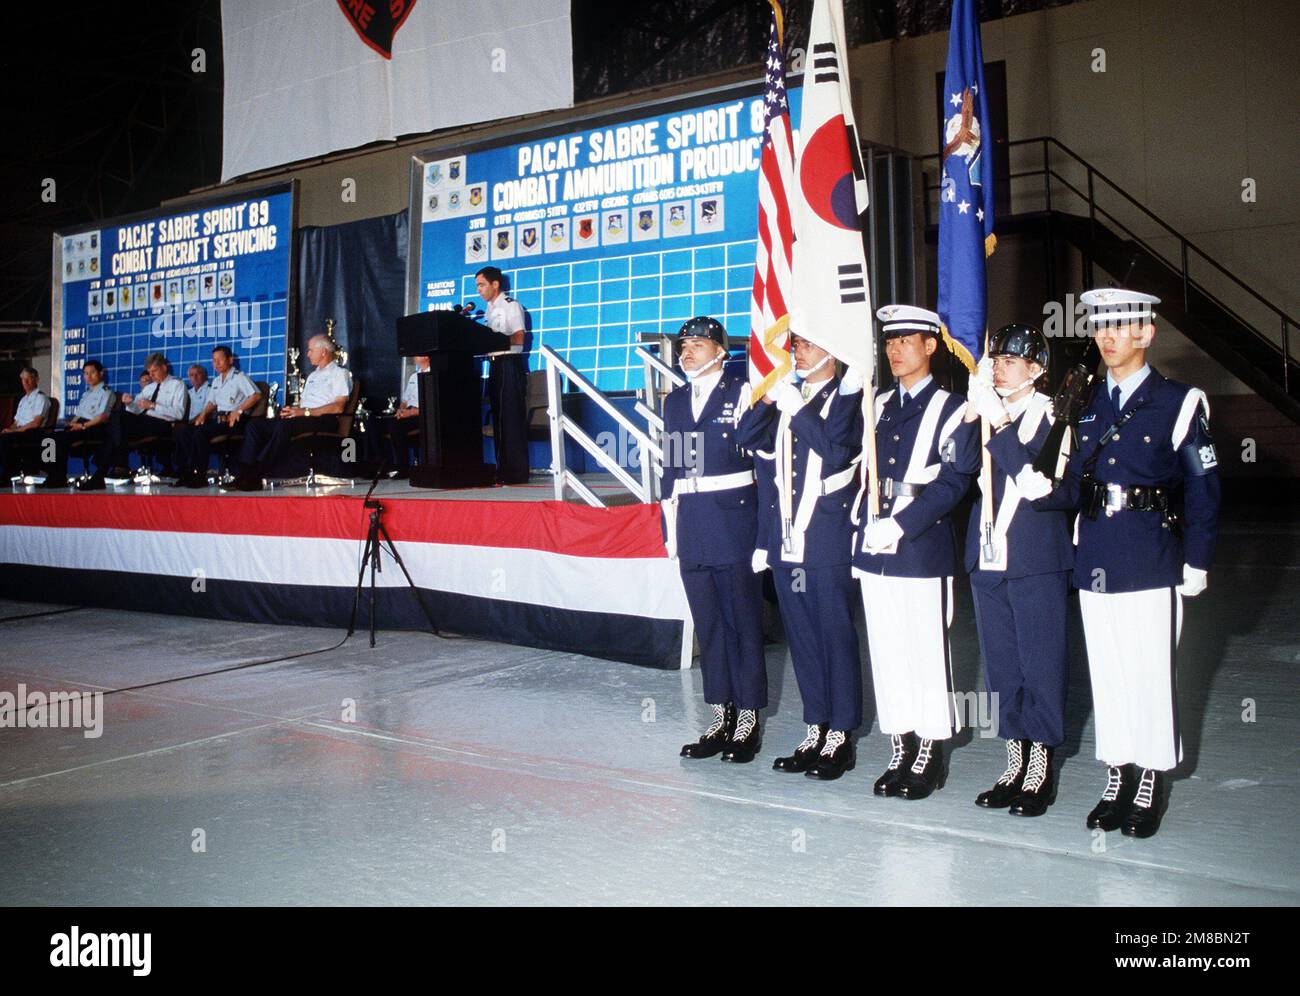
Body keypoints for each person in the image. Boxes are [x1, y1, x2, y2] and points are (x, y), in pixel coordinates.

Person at [1025, 288, 1220, 838]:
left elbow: (1204, 490)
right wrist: (1038, 487)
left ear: (1146, 332)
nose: (1107, 336)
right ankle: (1119, 771)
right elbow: (1073, 485)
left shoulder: (1180, 401)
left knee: (1147, 674)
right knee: (1108, 673)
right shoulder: (1084, 402)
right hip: (1096, 556)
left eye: (1119, 325)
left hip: (1150, 557)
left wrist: (1197, 562)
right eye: (1099, 326)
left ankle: (1153, 775)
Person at [832, 305, 979, 800]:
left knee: (924, 652)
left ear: (931, 346)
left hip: (919, 545)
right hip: (875, 543)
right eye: (889, 342)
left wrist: (902, 523)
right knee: (888, 651)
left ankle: (930, 751)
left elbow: (957, 480)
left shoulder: (953, 408)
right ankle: (901, 743)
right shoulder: (879, 403)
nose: (895, 350)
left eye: (906, 341)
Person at [736, 333, 863, 779]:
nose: (798, 352)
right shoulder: (790, 399)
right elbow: (747, 439)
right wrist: (771, 397)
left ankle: (841, 735)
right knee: (804, 639)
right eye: (796, 344)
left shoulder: (848, 397)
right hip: (788, 541)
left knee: (834, 636)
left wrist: (795, 405)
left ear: (832, 350)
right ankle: (816, 727)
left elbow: (835, 450)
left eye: (808, 345)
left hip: (828, 539)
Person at [962, 324, 1073, 817]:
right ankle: (1014, 757)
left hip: (1035, 560)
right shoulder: (984, 412)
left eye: (1011, 360)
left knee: (1040, 664)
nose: (1000, 366)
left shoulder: (1058, 419)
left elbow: (1037, 484)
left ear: (1038, 370)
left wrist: (1001, 424)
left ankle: (1041, 765)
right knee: (1002, 666)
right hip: (988, 557)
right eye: (996, 359)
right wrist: (972, 413)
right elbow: (961, 466)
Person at [662, 317, 766, 763]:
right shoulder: (677, 400)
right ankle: (721, 714)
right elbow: (673, 468)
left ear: (721, 351)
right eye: (684, 344)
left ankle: (748, 718)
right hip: (693, 522)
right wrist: (670, 527)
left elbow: (766, 464)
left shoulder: (744, 390)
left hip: (734, 519)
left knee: (742, 622)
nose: (687, 351)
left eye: (698, 344)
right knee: (710, 624)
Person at [231, 334, 352, 491]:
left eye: (310, 350)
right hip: (303, 418)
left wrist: (304, 412)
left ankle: (257, 473)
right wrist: (292, 410)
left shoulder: (339, 373)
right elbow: (302, 403)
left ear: (323, 351)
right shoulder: (312, 376)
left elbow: (339, 407)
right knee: (255, 425)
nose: (307, 354)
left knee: (283, 426)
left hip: (325, 420)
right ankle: (243, 471)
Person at [78, 353, 187, 488]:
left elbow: (179, 413)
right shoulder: (149, 388)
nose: (151, 376)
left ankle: (113, 468)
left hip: (164, 425)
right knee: (117, 416)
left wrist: (153, 406)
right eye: (149, 372)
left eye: (154, 371)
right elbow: (135, 410)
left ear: (164, 368)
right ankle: (106, 471)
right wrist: (129, 403)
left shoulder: (177, 384)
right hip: (145, 423)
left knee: (119, 421)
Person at [175, 346, 262, 488]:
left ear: (230, 359)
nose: (216, 364)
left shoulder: (239, 377)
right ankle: (186, 472)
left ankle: (200, 475)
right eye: (214, 361)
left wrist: (239, 410)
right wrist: (203, 415)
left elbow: (256, 395)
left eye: (220, 360)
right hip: (218, 420)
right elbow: (212, 402)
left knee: (200, 433)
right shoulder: (216, 381)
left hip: (234, 420)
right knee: (185, 431)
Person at [475, 266, 529, 485]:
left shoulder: (511, 306)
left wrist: (494, 341)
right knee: (498, 420)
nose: (478, 290)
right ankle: (502, 469)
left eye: (481, 284)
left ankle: (516, 472)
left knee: (510, 420)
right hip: (495, 365)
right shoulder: (489, 309)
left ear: (495, 284)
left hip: (509, 364)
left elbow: (518, 338)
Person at [36, 360, 115, 488]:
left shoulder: (106, 392)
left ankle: (59, 477)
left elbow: (102, 417)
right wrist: (70, 424)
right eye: (85, 373)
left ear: (100, 373)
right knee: (48, 439)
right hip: (79, 426)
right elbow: (79, 414)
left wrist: (83, 426)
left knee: (59, 440)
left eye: (92, 373)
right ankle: (52, 474)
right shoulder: (86, 394)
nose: (88, 376)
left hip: (94, 427)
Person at [376, 355, 429, 478]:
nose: (414, 356)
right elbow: (405, 400)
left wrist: (411, 413)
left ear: (426, 357)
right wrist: (401, 409)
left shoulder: (432, 375)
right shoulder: (413, 376)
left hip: (421, 414)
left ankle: (401, 466)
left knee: (396, 426)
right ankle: (378, 465)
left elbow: (430, 403)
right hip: (408, 412)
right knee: (374, 424)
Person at [0, 367, 52, 480]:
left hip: (33, 433)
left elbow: (36, 423)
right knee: (3, 436)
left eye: (28, 379)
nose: (26, 382)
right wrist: (8, 430)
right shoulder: (23, 400)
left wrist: (13, 431)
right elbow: (16, 422)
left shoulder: (41, 398)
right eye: (23, 379)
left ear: (36, 380)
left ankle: (8, 475)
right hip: (19, 432)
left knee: (5, 440)